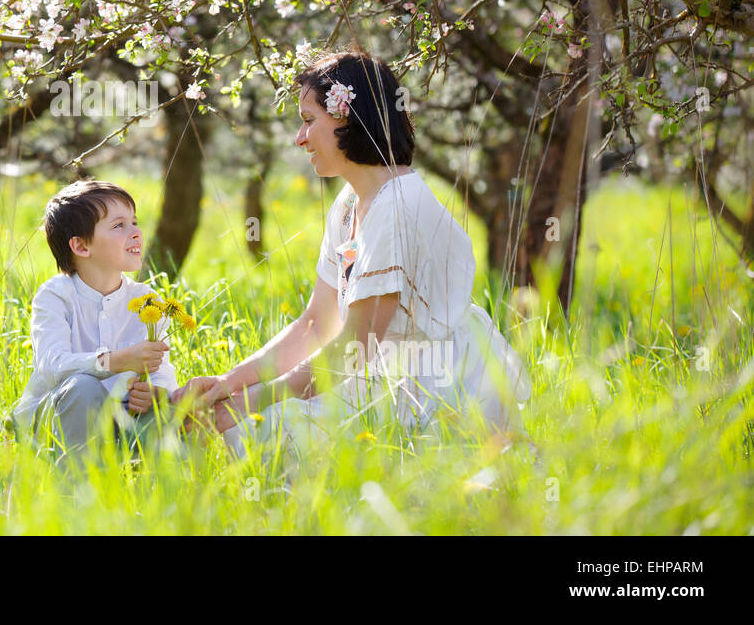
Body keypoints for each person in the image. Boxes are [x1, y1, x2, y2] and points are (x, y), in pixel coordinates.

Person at [173, 49, 532, 476]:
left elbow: (355, 349)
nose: (299, 138)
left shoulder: (397, 207)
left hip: (426, 383)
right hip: (376, 371)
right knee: (237, 424)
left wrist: (251, 401)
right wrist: (227, 385)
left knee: (264, 430)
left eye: (308, 121)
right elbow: (315, 324)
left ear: (346, 117)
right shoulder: (349, 204)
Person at [9, 179, 178, 468]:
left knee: (170, 407)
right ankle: (75, 491)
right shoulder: (55, 296)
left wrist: (157, 392)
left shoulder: (147, 300)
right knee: (82, 387)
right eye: (118, 226)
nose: (136, 233)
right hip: (55, 422)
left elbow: (162, 371)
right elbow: (52, 367)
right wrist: (115, 361)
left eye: (134, 222)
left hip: (121, 418)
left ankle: (151, 492)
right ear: (81, 246)